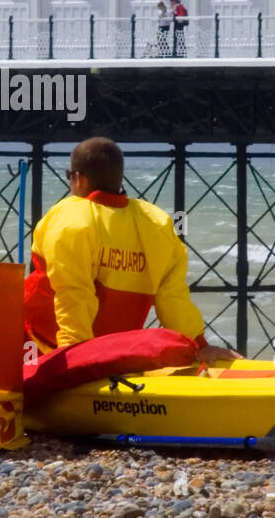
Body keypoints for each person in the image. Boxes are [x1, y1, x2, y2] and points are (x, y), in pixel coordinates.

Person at [23, 137, 241, 365]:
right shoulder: (157, 224)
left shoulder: (70, 219)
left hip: (42, 347)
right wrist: (200, 345)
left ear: (78, 178)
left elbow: (74, 295)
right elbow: (173, 298)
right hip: (113, 352)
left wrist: (75, 359)